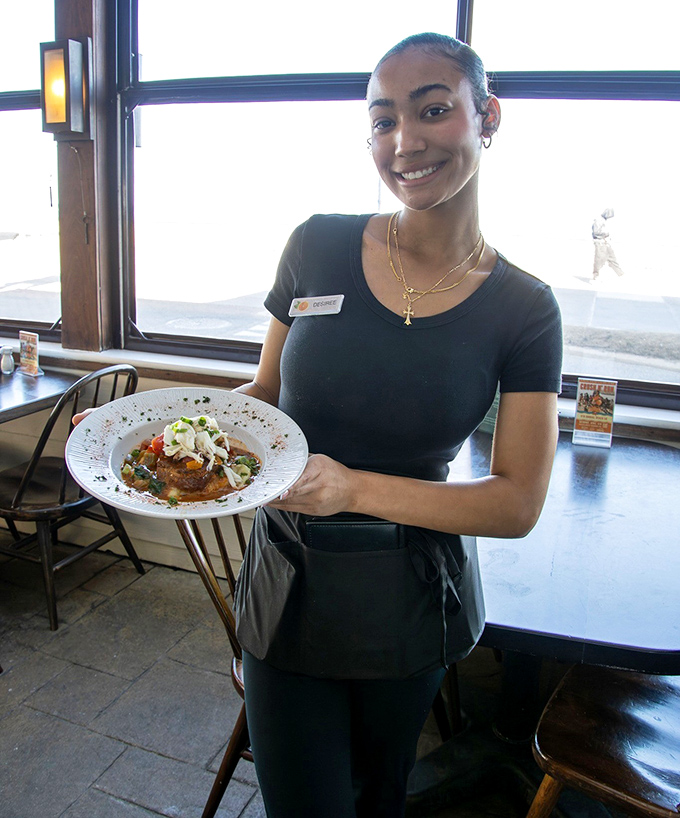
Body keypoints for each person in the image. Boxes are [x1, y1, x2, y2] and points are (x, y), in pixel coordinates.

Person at [230, 32, 563, 818]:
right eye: (382, 121)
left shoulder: (525, 308)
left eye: (434, 110)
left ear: (487, 117)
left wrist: (351, 488)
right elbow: (267, 392)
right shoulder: (316, 243)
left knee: (378, 798)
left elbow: (515, 504)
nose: (404, 142)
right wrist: (185, 438)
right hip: (290, 583)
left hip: (410, 596)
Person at [591, 207, 624, 281]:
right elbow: (596, 232)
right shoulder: (598, 220)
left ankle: (621, 275)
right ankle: (595, 276)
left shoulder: (605, 221)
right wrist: (605, 234)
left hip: (606, 242)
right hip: (599, 242)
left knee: (612, 257)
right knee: (599, 259)